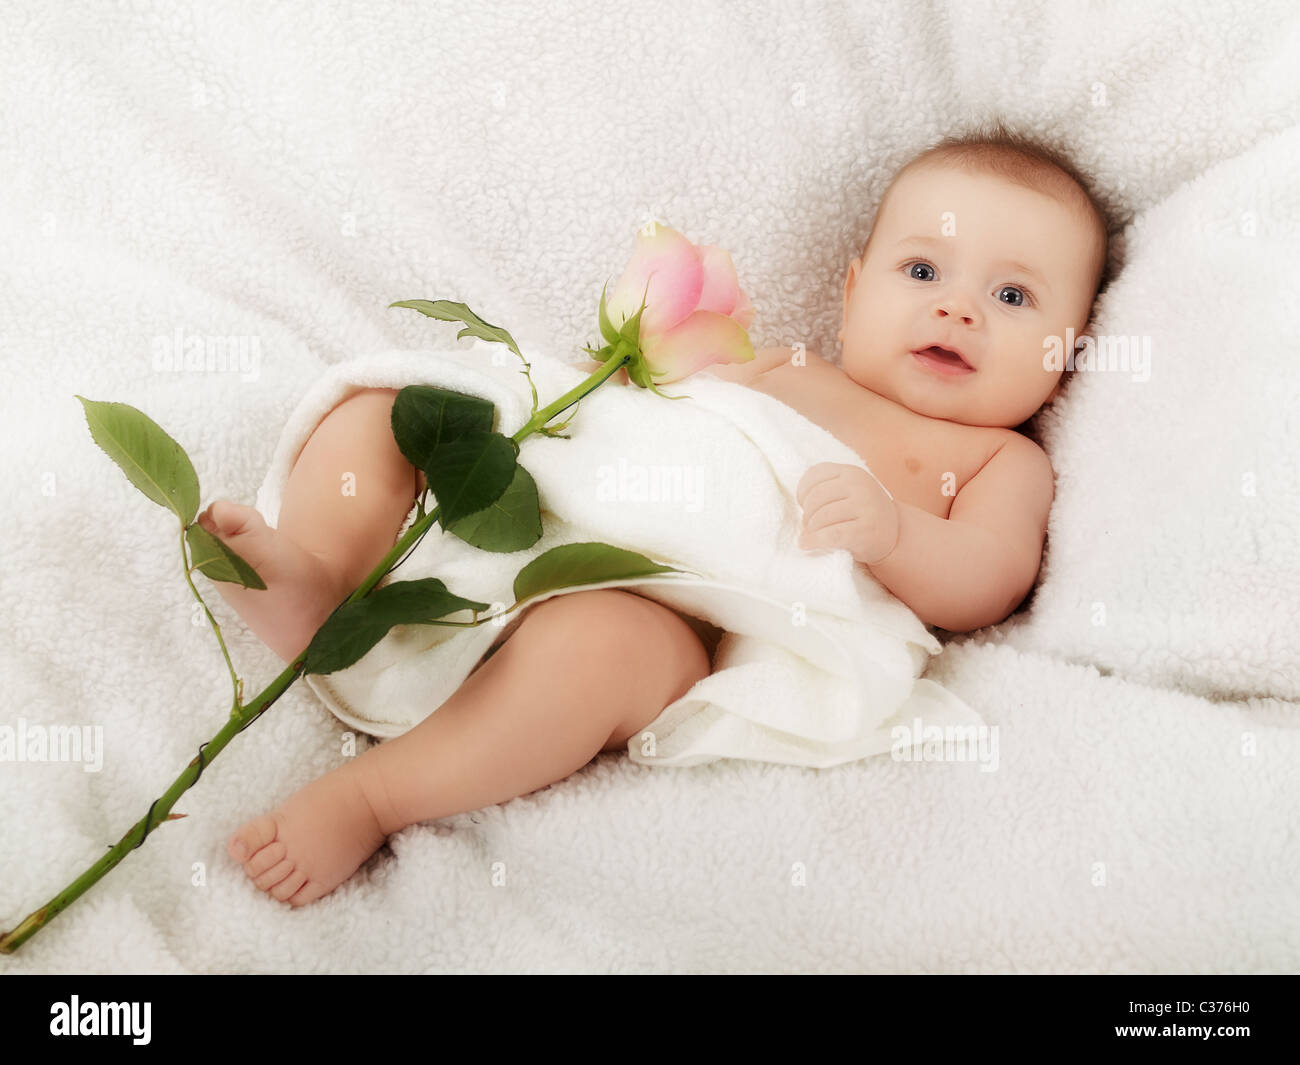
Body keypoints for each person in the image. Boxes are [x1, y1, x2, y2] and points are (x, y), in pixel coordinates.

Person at [203, 123, 1113, 907]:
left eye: (1012, 297)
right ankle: (322, 579)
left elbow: (990, 577)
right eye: (922, 269)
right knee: (401, 408)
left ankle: (372, 797)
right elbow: (647, 413)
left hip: (677, 617)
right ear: (850, 293)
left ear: (1070, 350)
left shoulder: (996, 458)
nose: (956, 307)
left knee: (604, 651)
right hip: (546, 520)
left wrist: (898, 533)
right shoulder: (786, 367)